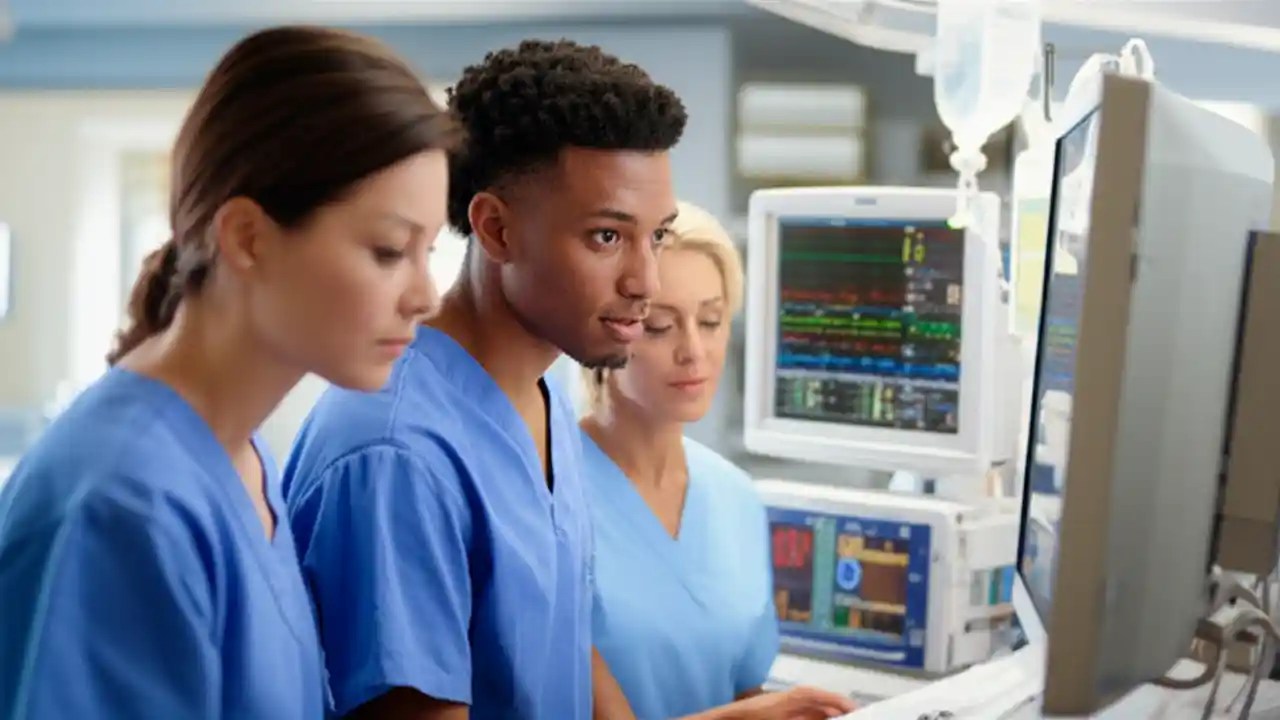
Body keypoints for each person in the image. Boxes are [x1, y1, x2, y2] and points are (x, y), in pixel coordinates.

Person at [0, 26, 456, 720]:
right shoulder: (120, 502)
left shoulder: (243, 459)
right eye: (390, 250)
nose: (425, 295)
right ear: (247, 237)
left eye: (429, 251)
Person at [580, 202, 854, 720]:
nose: (694, 351)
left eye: (710, 320)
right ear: (608, 328)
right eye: (660, 327)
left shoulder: (734, 497)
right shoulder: (548, 493)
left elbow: (742, 688)